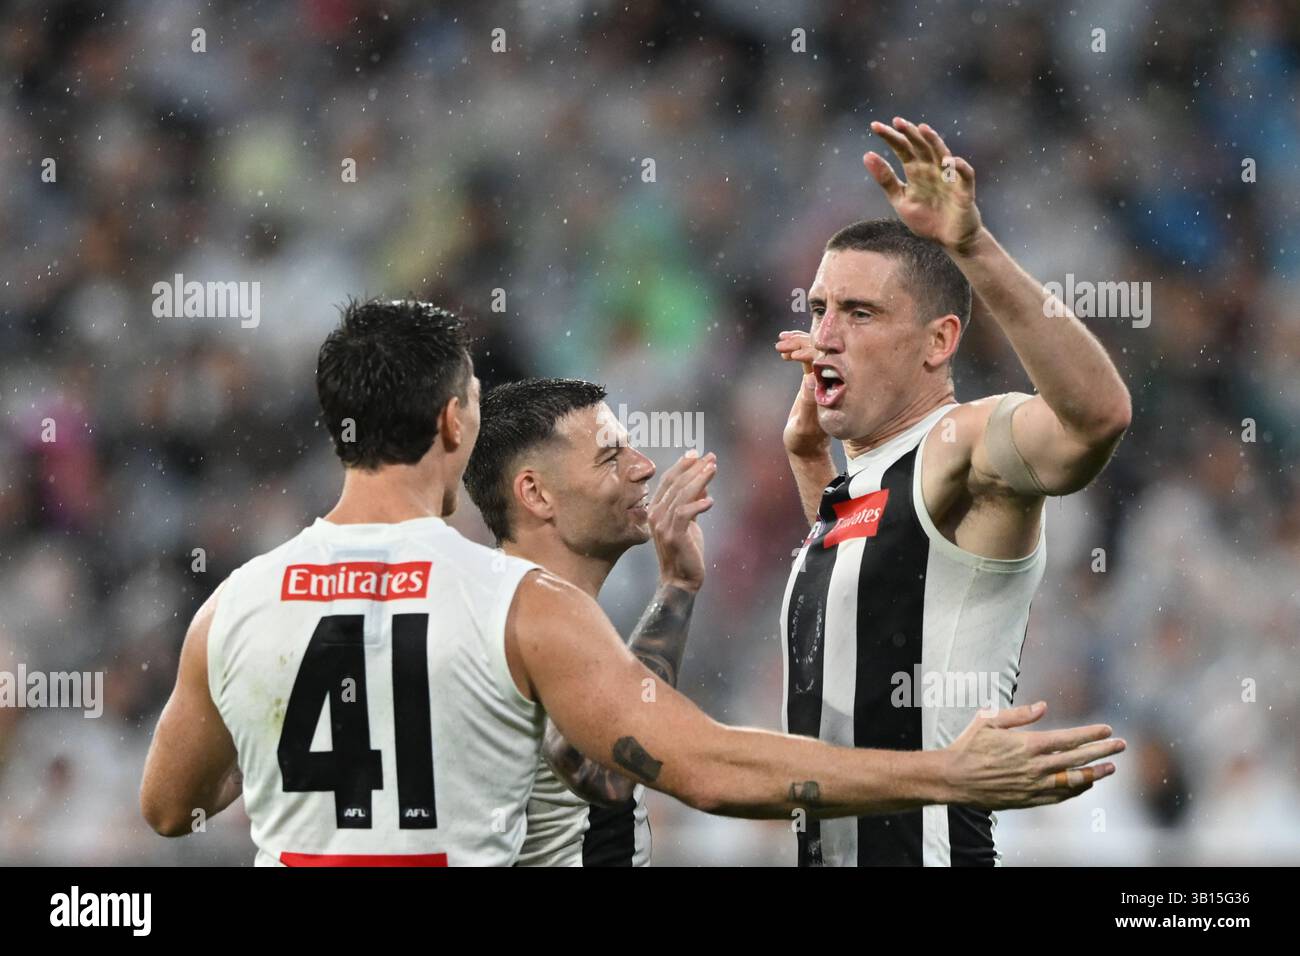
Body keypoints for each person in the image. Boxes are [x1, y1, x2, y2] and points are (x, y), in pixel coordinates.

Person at [140, 297, 1124, 866]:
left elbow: (170, 806)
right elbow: (704, 765)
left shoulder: (236, 604)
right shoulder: (517, 604)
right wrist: (946, 773)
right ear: (453, 423)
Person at [773, 117, 1131, 866]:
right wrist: (815, 466)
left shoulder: (959, 441)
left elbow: (1095, 418)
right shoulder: (863, 478)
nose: (826, 333)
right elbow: (875, 608)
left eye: (860, 313)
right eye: (818, 310)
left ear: (939, 342)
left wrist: (971, 248)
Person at [464, 377, 715, 866]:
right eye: (610, 457)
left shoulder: (513, 606)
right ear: (535, 493)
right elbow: (616, 770)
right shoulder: (522, 626)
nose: (643, 468)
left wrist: (677, 588)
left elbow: (616, 727)